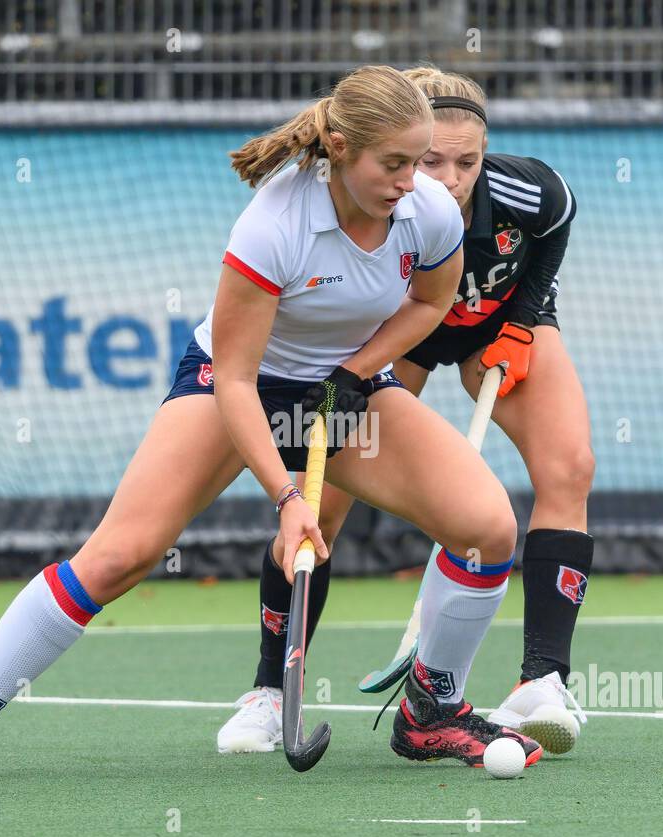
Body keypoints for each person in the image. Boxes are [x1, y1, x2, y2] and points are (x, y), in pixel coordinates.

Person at [0, 65, 542, 779]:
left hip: (342, 387)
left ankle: (432, 710)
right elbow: (239, 380)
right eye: (393, 163)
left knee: (488, 526)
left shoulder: (425, 210)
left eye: (417, 161)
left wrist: (354, 370)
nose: (413, 180)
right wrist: (287, 499)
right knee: (122, 554)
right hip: (234, 385)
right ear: (339, 147)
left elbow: (431, 304)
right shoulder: (275, 225)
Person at [218, 67, 594, 758]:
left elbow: (559, 222)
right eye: (429, 161)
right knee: (321, 504)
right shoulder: (387, 200)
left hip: (496, 328)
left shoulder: (526, 190)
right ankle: (271, 687)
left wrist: (529, 315)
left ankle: (542, 678)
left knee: (569, 466)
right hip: (401, 337)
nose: (448, 179)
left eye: (467, 162)